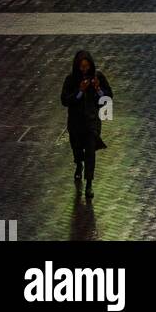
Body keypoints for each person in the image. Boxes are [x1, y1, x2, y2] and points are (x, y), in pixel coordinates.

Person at [60, 49, 113, 200]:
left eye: (87, 67)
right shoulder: (70, 80)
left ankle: (89, 183)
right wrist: (80, 91)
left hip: (91, 123)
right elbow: (64, 100)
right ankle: (78, 164)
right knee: (77, 148)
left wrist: (98, 89)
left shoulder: (98, 77)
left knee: (90, 152)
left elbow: (108, 98)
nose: (84, 70)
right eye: (82, 67)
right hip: (76, 123)